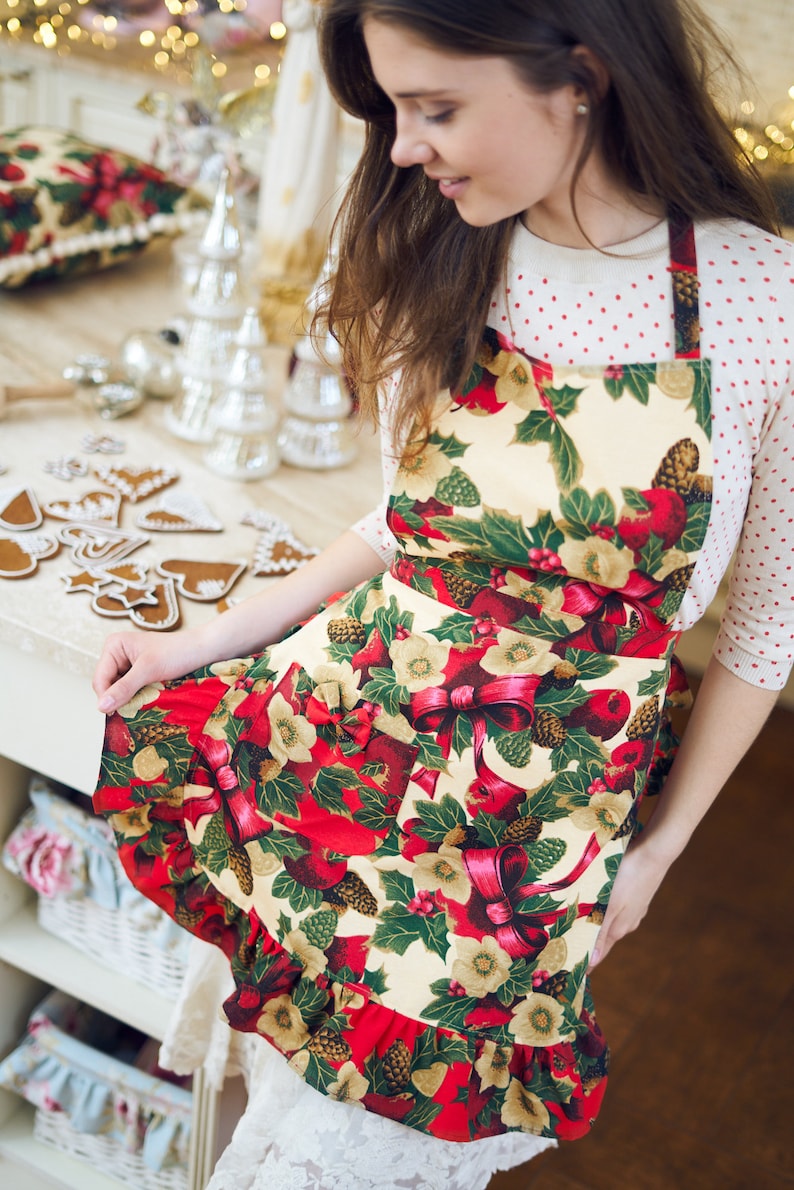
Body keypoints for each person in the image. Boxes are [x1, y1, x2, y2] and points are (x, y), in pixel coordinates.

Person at [92, 2, 793, 1186]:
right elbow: (407, 524)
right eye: (393, 111)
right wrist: (206, 639)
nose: (405, 146)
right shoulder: (439, 247)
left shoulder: (761, 297)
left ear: (578, 75)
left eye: (436, 108)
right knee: (272, 1104)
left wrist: (658, 851)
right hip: (344, 757)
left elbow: (765, 626)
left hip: (521, 849)